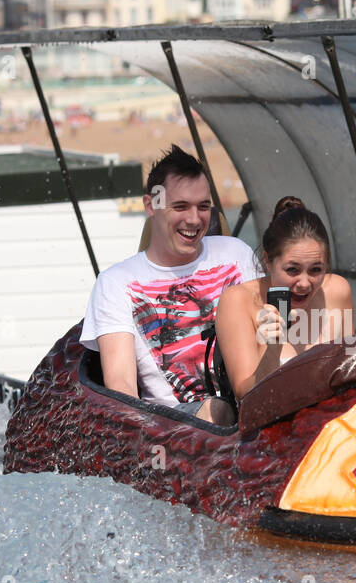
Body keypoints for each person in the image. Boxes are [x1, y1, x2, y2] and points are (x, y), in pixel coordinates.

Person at [80, 145, 261, 423]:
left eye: (203, 207)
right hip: (173, 428)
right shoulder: (116, 283)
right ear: (151, 205)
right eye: (180, 206)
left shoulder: (236, 254)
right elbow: (122, 391)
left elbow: (270, 336)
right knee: (218, 410)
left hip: (251, 403)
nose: (194, 219)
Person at [215, 204, 356, 402]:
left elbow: (353, 373)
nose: (305, 283)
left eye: (316, 270)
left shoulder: (336, 290)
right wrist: (273, 350)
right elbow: (245, 395)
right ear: (268, 261)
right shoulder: (238, 300)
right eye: (292, 270)